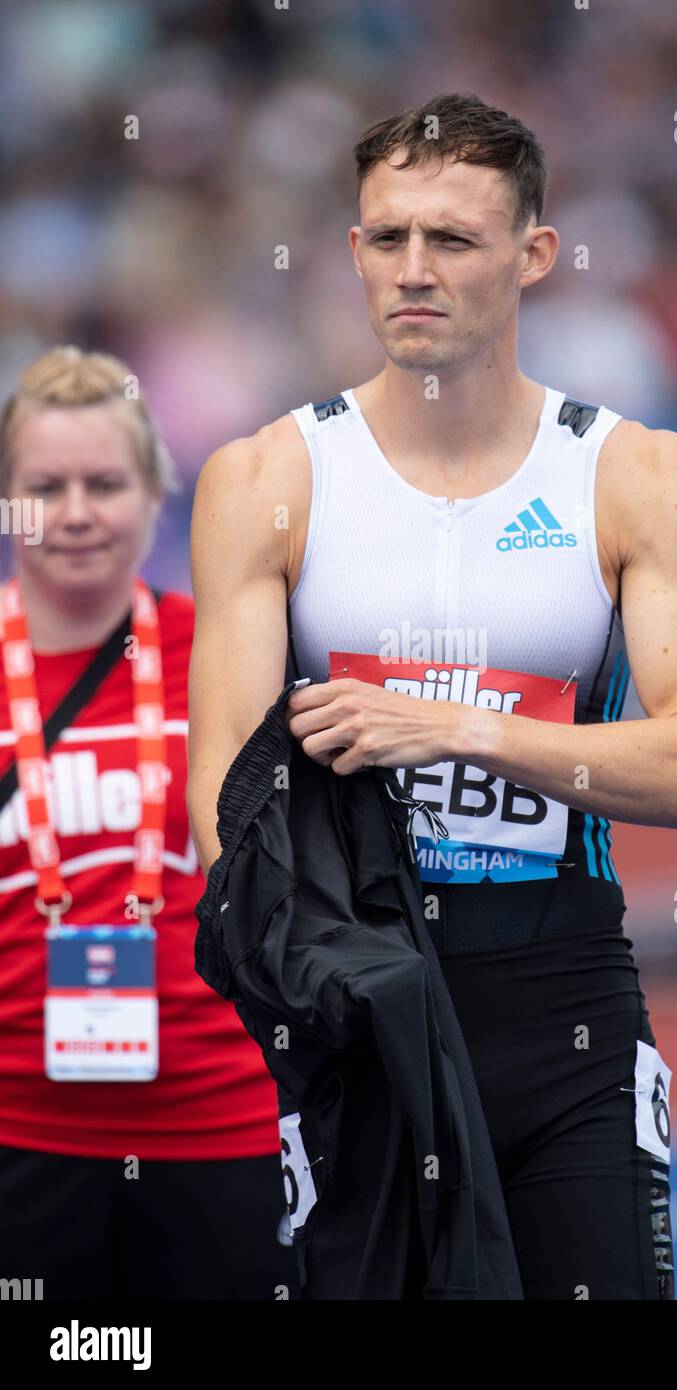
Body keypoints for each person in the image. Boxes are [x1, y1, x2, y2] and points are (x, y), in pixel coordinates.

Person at [187, 93, 677, 1300]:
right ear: (351, 252)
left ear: (533, 254)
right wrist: (325, 987)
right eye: (386, 239)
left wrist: (451, 728)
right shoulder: (266, 479)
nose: (413, 270)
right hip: (356, 1006)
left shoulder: (635, 474)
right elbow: (222, 824)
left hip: (562, 1005)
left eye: (452, 239)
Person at [0, 346, 293, 1300]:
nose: (77, 511)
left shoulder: (229, 653)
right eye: (45, 485)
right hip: (21, 1140)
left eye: (106, 482)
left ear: (157, 492)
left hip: (224, 1125)